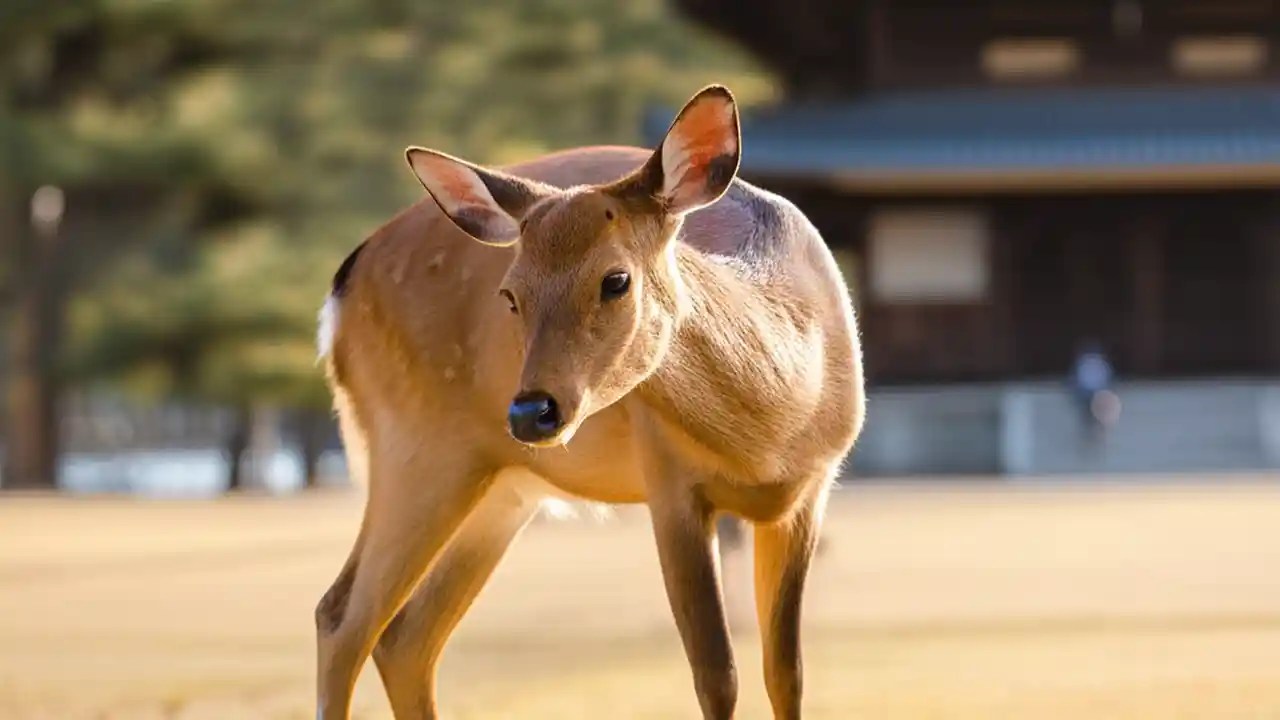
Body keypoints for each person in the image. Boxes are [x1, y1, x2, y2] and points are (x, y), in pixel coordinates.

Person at [1069, 339, 1121, 446]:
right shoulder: (1086, 364)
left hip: (1097, 395)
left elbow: (1108, 380)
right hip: (1088, 395)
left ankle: (1097, 432)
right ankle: (1094, 432)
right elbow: (1075, 381)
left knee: (1099, 412)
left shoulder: (1097, 364)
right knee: (1089, 413)